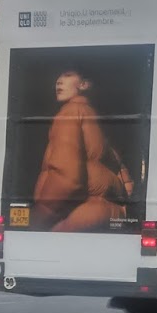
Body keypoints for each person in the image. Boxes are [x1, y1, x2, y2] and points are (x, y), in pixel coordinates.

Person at [32, 69, 136, 233]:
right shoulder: (97, 124)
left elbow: (66, 178)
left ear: (84, 85)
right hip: (100, 214)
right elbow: (125, 182)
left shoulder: (70, 113)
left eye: (67, 75)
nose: (58, 81)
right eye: (58, 77)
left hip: (76, 217)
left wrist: (38, 218)